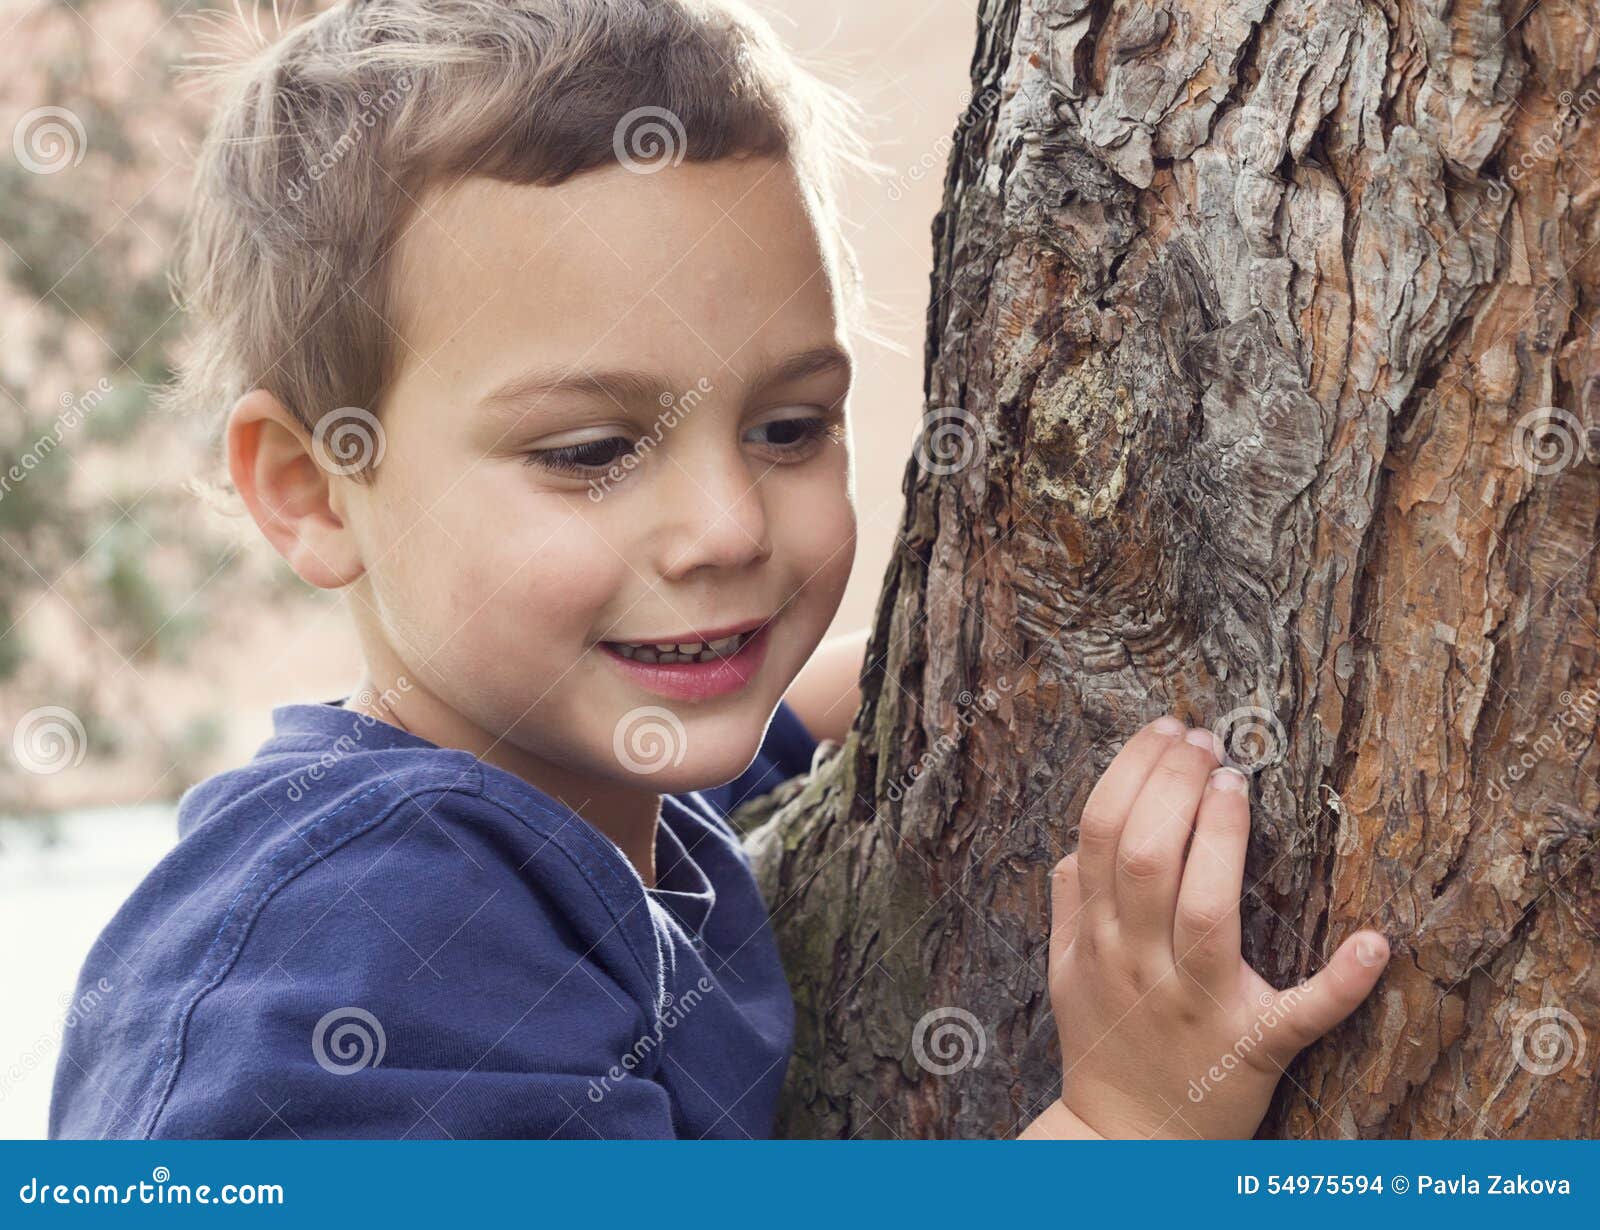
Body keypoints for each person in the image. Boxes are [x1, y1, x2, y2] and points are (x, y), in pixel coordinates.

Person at [50, 0, 1387, 1140]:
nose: (731, 527)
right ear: (309, 485)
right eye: (589, 450)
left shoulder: (550, 790)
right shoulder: (358, 963)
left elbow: (739, 751)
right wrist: (1126, 1127)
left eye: (788, 427)